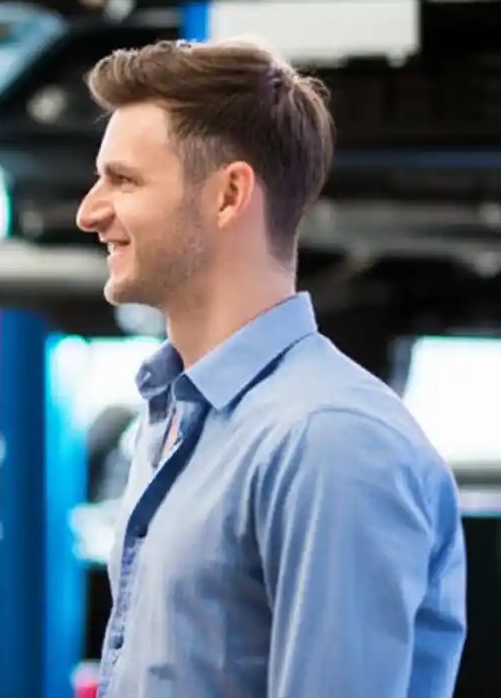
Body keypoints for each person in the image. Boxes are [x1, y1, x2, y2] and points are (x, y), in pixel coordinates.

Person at [75, 38, 467, 697]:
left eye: (124, 179)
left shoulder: (328, 439)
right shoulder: (181, 419)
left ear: (229, 195)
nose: (89, 210)